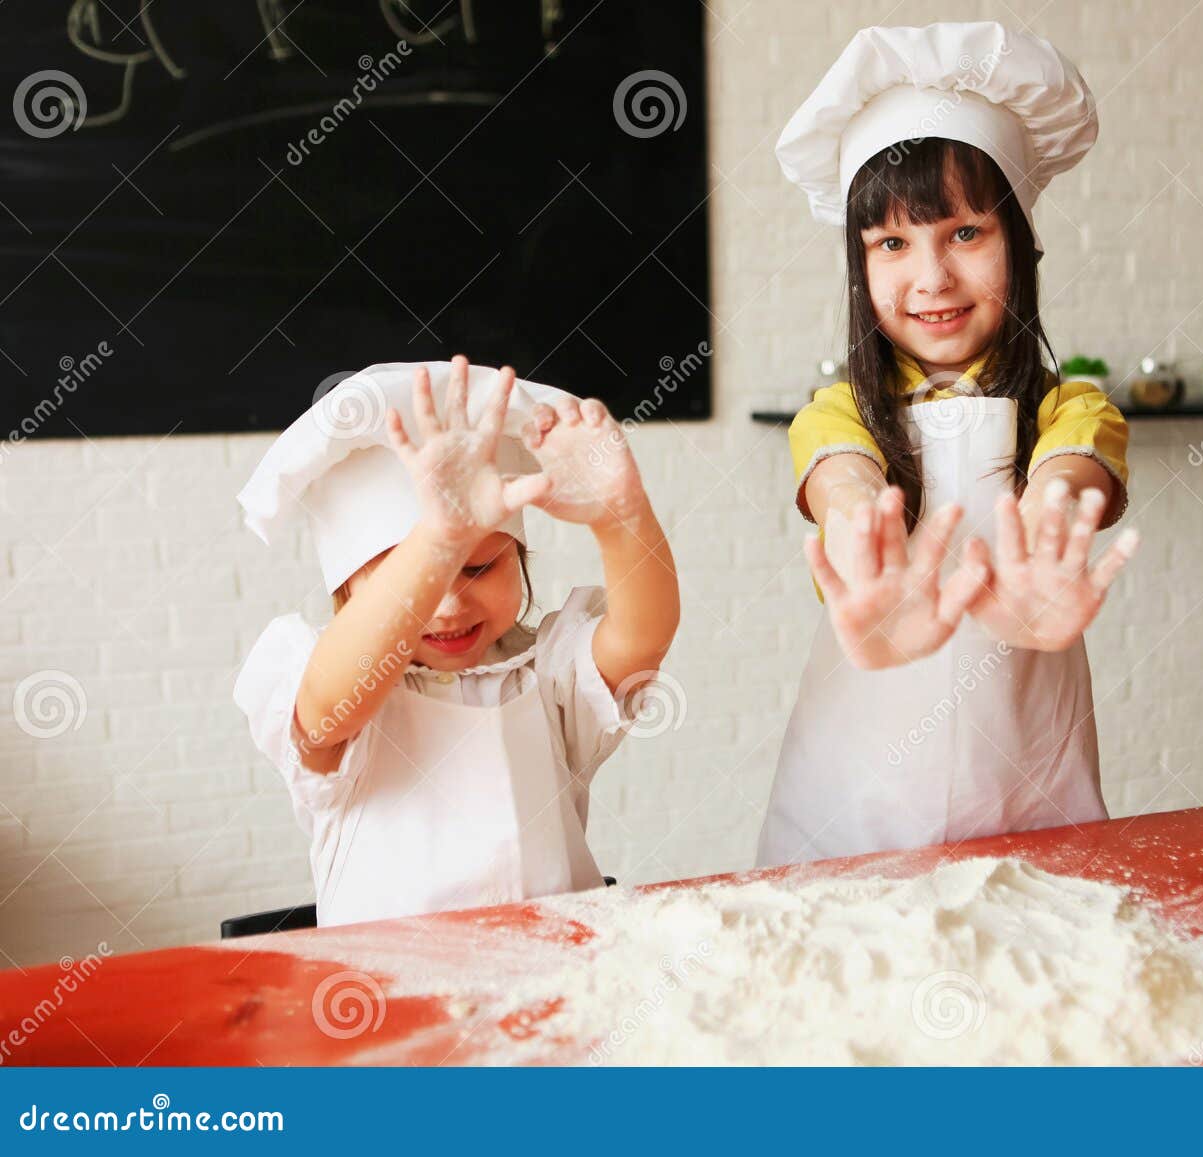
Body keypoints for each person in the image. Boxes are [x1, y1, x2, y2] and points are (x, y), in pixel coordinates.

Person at [758, 22, 1140, 867]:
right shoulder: (838, 415)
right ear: (859, 268)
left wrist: (1044, 528)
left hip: (1030, 796)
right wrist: (868, 543)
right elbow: (841, 481)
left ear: (1022, 244)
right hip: (853, 809)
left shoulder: (1069, 410)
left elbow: (1073, 472)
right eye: (892, 243)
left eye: (965, 233)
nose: (930, 278)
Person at [233, 356, 679, 924]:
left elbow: (642, 640)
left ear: (519, 560)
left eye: (476, 569)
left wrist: (622, 516)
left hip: (553, 973)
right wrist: (440, 537)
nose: (448, 605)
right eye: (420, 581)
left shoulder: (545, 676)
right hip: (386, 991)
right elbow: (324, 714)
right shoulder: (342, 690)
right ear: (350, 593)